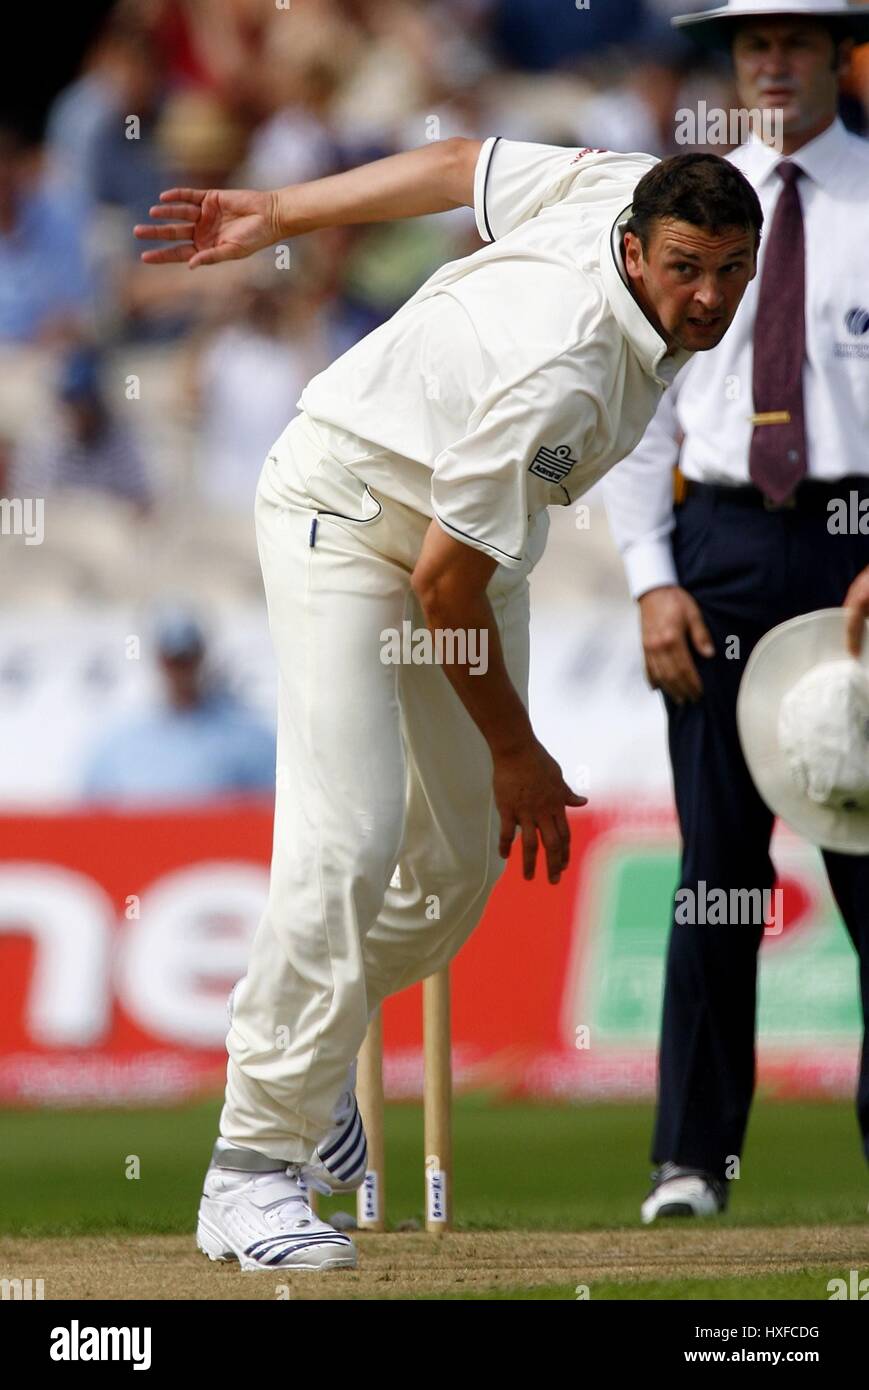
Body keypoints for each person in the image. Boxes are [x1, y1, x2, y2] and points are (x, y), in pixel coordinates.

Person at [137, 134, 762, 1270]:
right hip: (346, 511)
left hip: (457, 541)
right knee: (351, 837)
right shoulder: (566, 374)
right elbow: (441, 585)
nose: (707, 295)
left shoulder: (623, 181)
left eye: (730, 267)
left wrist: (281, 212)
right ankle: (249, 1168)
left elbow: (457, 165)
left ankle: (297, 1037)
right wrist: (515, 749)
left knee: (456, 870)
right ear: (633, 247)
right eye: (683, 266)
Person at [601, 0, 869, 1224]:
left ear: (832, 56)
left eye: (793, 42)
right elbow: (635, 398)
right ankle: (689, 1163)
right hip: (718, 540)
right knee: (714, 869)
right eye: (750, 43)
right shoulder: (691, 202)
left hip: (855, 542)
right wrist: (650, 575)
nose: (769, 61)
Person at [81, 608, 276, 804]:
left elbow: (274, 811)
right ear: (158, 659)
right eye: (172, 660)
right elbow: (91, 816)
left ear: (201, 656)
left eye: (187, 658)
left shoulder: (248, 740)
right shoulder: (119, 745)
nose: (180, 671)